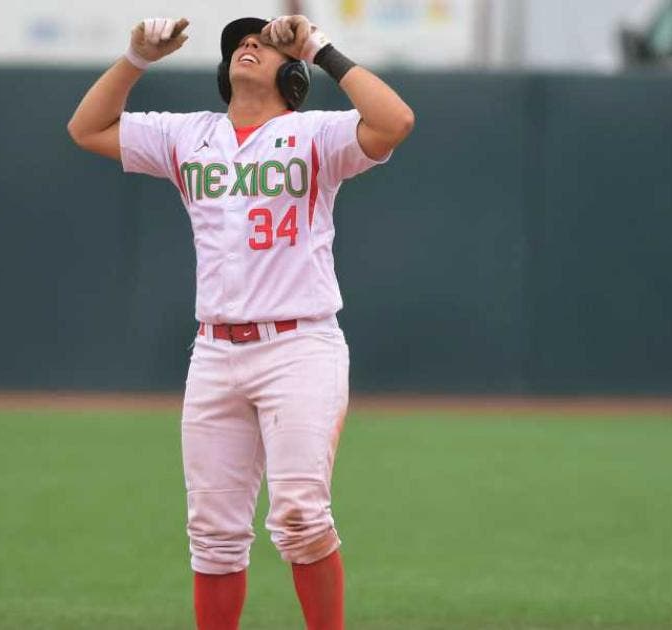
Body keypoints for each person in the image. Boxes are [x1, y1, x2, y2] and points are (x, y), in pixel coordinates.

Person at [67, 14, 413, 630]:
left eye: (265, 43)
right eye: (238, 44)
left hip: (299, 345)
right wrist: (136, 58)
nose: (248, 45)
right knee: (213, 534)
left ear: (297, 77)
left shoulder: (316, 135)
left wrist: (321, 47)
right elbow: (86, 127)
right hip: (215, 353)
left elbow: (395, 122)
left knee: (302, 515)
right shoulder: (189, 136)